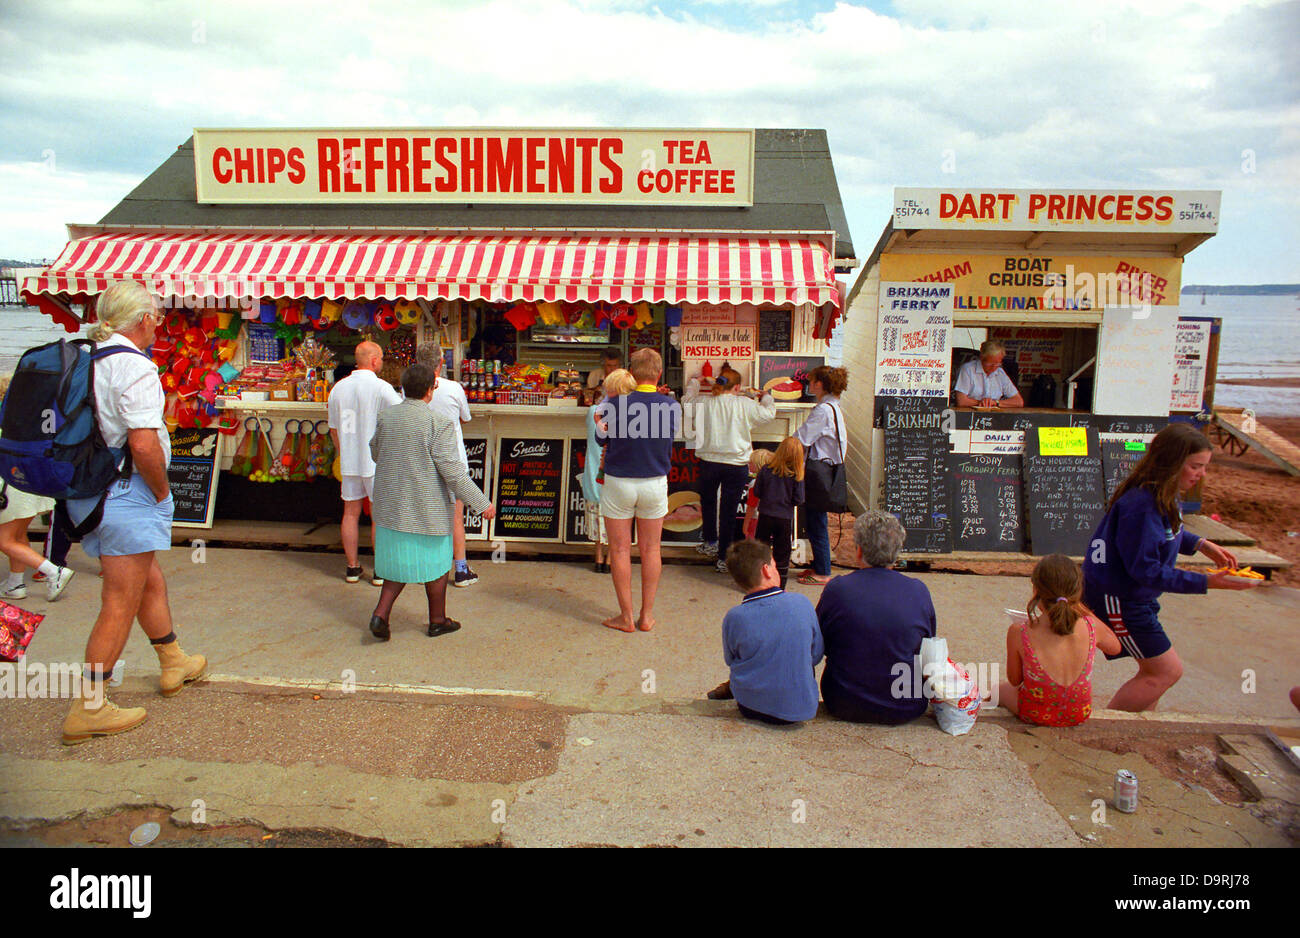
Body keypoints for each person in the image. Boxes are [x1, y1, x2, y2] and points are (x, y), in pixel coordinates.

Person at [61, 281, 206, 744]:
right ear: (143, 319)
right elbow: (143, 443)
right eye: (158, 316)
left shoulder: (85, 355)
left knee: (147, 577)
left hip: (88, 490)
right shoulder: (134, 367)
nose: (160, 323)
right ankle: (90, 707)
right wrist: (163, 493)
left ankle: (173, 660)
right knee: (119, 600)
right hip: (127, 491)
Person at [1082, 422, 1256, 712]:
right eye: (1195, 466)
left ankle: (1140, 727)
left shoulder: (1162, 493)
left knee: (1156, 674)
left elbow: (1166, 532)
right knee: (1164, 672)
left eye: (1204, 467)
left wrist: (1202, 544)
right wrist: (1207, 582)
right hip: (1119, 597)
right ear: (1172, 463)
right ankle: (1110, 727)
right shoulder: (1142, 504)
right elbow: (1146, 570)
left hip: (1136, 596)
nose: (1201, 475)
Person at [366, 363, 495, 641]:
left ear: (403, 388)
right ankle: (437, 620)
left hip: (391, 508)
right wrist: (482, 503)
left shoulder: (387, 417)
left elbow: (376, 452)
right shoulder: (438, 423)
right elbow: (453, 471)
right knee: (436, 565)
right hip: (427, 510)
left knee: (396, 566)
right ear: (430, 389)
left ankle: (381, 614)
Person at [816, 510, 936, 725]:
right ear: (897, 552)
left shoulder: (838, 589)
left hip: (844, 701)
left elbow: (818, 643)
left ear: (859, 550)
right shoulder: (918, 591)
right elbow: (927, 645)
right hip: (906, 704)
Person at [596, 349, 680, 633]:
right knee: (651, 549)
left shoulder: (615, 403)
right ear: (658, 374)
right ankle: (646, 616)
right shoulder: (670, 406)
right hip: (654, 482)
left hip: (619, 482)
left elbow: (600, 437)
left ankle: (626, 617)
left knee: (619, 550)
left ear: (631, 373)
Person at [705, 538, 823, 725]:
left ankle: (731, 689)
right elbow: (815, 654)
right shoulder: (801, 603)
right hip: (804, 707)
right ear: (766, 570)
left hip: (750, 706)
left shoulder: (735, 617)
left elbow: (732, 660)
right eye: (775, 566)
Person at [999, 554, 1121, 726]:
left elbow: (1015, 680)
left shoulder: (1020, 631)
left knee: (999, 690)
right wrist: (1080, 607)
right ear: (1077, 592)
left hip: (1035, 713)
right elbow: (1114, 648)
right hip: (1079, 713)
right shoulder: (1091, 626)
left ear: (1035, 590)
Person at [682, 366, 776, 571]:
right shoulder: (745, 404)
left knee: (707, 503)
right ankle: (724, 557)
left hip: (708, 461)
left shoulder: (704, 403)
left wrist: (695, 382)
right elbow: (768, 414)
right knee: (728, 511)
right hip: (736, 464)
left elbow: (686, 402)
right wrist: (766, 396)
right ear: (738, 387)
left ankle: (709, 542)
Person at [328, 340, 401, 585]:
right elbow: (401, 417)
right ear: (373, 360)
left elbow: (334, 429)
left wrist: (344, 452)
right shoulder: (382, 388)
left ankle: (352, 567)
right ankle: (379, 569)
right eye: (380, 358)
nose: (381, 362)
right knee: (378, 516)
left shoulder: (338, 388)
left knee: (350, 513)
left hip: (349, 461)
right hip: (375, 462)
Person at [416, 342, 478, 588]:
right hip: (452, 461)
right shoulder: (454, 388)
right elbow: (464, 419)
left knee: (423, 516)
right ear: (441, 363)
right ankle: (461, 570)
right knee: (455, 518)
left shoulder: (409, 388)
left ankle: (426, 568)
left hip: (422, 461)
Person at [794, 365, 848, 586]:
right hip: (829, 469)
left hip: (818, 472)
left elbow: (802, 438)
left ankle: (823, 572)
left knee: (816, 521)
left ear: (819, 384)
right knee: (817, 520)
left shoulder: (823, 411)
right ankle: (819, 565)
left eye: (812, 380)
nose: (809, 383)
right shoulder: (833, 407)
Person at [753, 436, 805, 590]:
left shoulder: (766, 470)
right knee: (782, 552)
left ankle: (757, 581)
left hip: (766, 514)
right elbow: (799, 499)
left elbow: (757, 491)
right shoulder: (796, 475)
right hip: (784, 517)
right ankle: (780, 585)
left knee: (761, 548)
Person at [581, 384, 612, 573]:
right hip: (615, 483)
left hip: (593, 480)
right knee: (614, 523)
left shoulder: (593, 412)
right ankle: (609, 560)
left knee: (595, 522)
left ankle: (598, 557)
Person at [953, 340, 1024, 408]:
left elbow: (1019, 402)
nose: (994, 367)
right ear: (981, 358)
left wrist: (996, 403)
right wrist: (982, 402)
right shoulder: (968, 369)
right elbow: (961, 401)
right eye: (990, 363)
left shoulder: (1000, 372)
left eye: (997, 363)